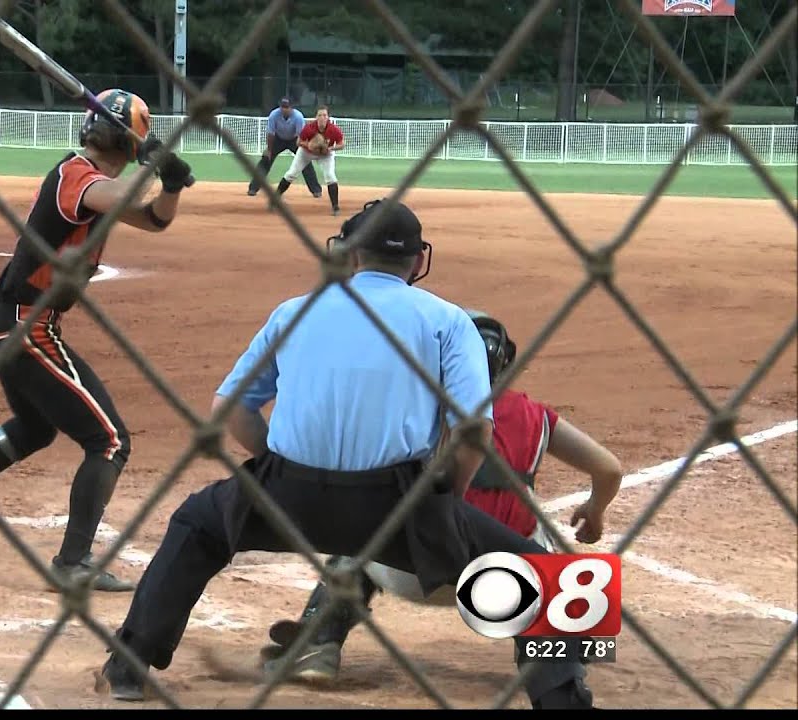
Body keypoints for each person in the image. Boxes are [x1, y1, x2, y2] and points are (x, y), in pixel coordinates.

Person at [94, 198, 594, 709]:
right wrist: (447, 504)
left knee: (197, 525)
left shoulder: (295, 311)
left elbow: (228, 408)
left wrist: (275, 464)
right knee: (542, 570)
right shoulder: (447, 320)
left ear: (346, 254)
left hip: (287, 493)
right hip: (397, 504)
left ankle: (129, 666)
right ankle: (564, 698)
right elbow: (472, 433)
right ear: (419, 261)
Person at [0, 89, 194, 592]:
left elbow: (154, 218)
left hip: (14, 322)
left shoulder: (98, 183)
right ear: (124, 138)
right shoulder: (76, 177)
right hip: (27, 327)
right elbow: (122, 198)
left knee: (36, 427)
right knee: (110, 441)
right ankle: (73, 563)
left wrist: (170, 182)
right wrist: (151, 160)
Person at [258, 308, 623, 687]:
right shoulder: (536, 416)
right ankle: (559, 653)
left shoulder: (405, 408)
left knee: (358, 531)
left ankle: (318, 646)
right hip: (506, 586)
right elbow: (609, 470)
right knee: (550, 544)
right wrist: (594, 512)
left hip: (413, 573)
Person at [273, 105, 344, 216]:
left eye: (324, 115)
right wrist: (309, 145)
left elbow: (341, 144)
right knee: (291, 174)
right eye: (320, 115)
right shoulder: (309, 128)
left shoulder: (333, 130)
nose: (322, 117)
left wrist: (330, 148)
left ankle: (335, 207)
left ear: (328, 117)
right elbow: (298, 142)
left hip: (325, 154)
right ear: (316, 117)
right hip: (306, 152)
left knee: (330, 176)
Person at [247, 98, 322, 200]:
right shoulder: (274, 115)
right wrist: (269, 150)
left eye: (287, 107)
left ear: (292, 108)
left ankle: (316, 190)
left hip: (295, 139)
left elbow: (301, 135)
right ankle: (253, 188)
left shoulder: (298, 117)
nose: (284, 109)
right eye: (282, 107)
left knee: (305, 161)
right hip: (278, 139)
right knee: (265, 160)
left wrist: (304, 151)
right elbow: (270, 133)